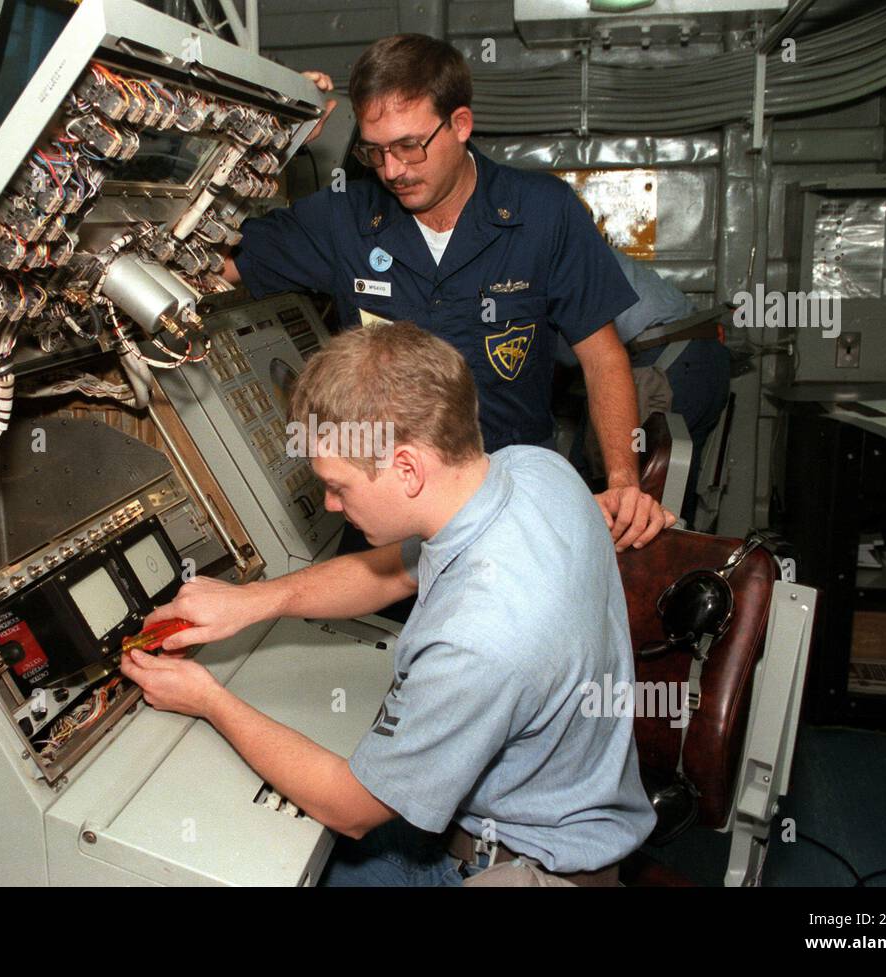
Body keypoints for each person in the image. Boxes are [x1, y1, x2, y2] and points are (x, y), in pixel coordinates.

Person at [119, 321, 656, 886]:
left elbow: (352, 810)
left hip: (517, 864)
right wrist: (253, 601)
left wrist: (208, 699)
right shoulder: (535, 469)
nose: (329, 503)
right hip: (544, 814)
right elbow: (398, 571)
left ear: (407, 469)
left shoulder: (479, 639)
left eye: (339, 485)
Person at [219, 35, 674, 553]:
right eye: (375, 151)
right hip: (386, 516)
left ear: (460, 124)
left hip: (509, 506)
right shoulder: (342, 217)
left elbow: (602, 357)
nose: (392, 170)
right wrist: (266, 141)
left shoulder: (543, 212)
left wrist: (622, 482)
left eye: (409, 146)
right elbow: (209, 259)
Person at [558, 249, 731, 525]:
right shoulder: (570, 237)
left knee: (602, 488)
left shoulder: (541, 254)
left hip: (665, 364)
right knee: (671, 492)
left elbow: (569, 355)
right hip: (704, 354)